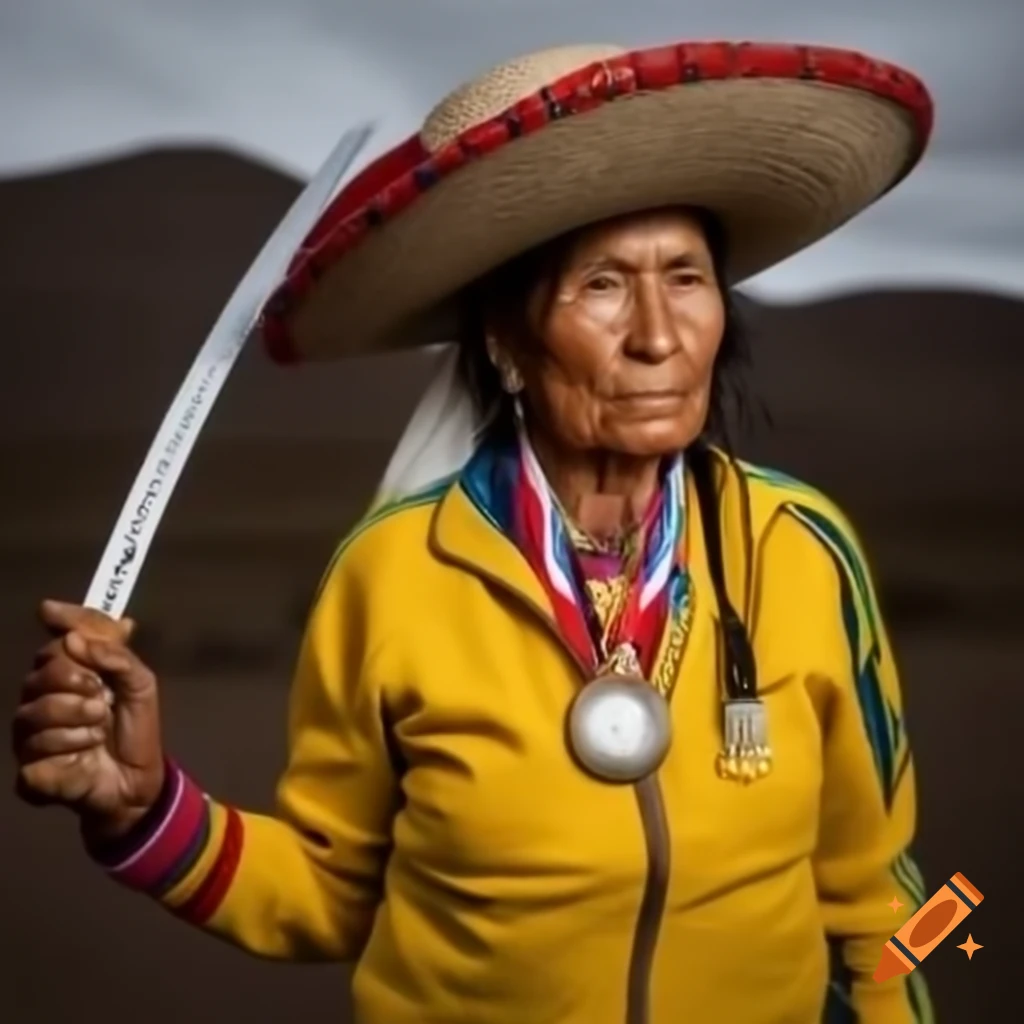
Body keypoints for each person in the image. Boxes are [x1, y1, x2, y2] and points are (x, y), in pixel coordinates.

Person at [11, 39, 936, 1024]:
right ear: (505, 336)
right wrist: (142, 811)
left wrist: (922, 988)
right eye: (602, 285)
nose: (659, 335)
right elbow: (330, 897)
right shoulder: (392, 571)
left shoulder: (801, 546)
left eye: (686, 276)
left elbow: (899, 895)